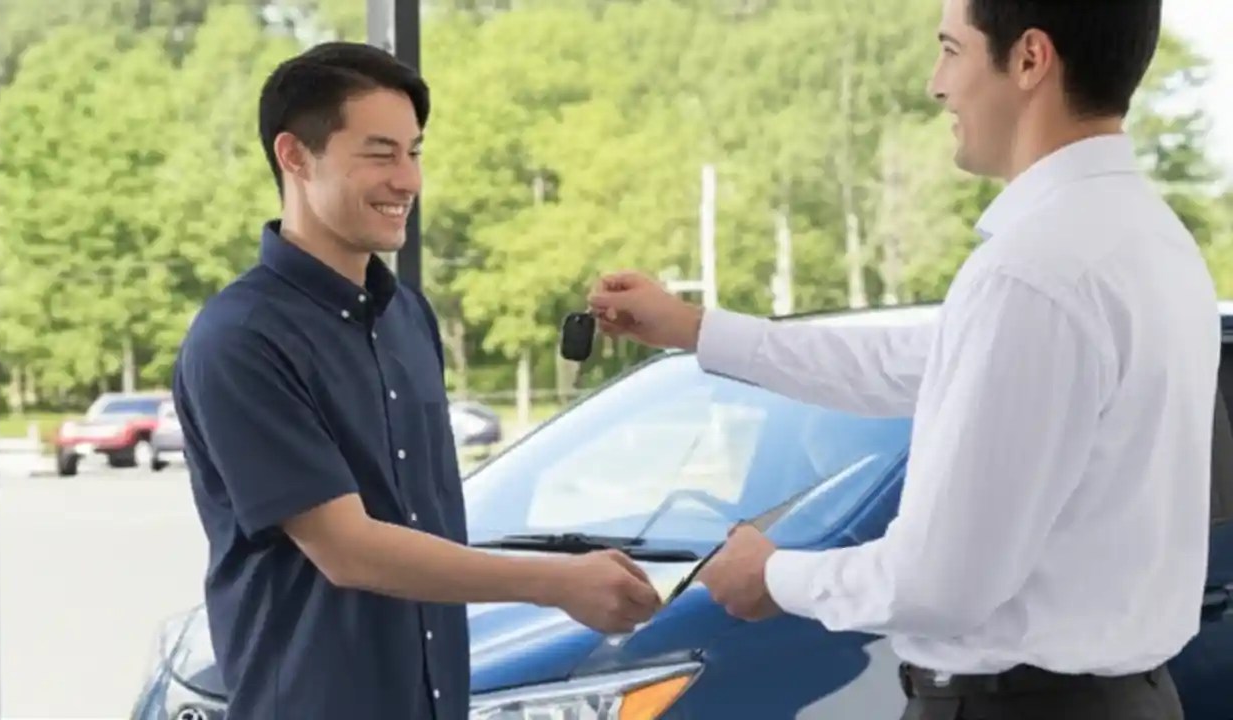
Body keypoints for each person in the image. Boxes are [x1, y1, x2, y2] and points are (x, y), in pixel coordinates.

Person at [587, 1, 1219, 718]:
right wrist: (697, 328)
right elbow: (911, 361)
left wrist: (775, 576)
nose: (935, 83)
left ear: (1030, 60)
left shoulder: (1034, 271)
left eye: (951, 50)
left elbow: (940, 582)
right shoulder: (1150, 241)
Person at [172, 42, 660, 720]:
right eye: (380, 154)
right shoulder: (241, 339)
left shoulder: (408, 315)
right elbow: (348, 549)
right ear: (294, 156)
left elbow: (425, 524)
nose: (408, 180)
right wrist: (555, 581)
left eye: (414, 153)